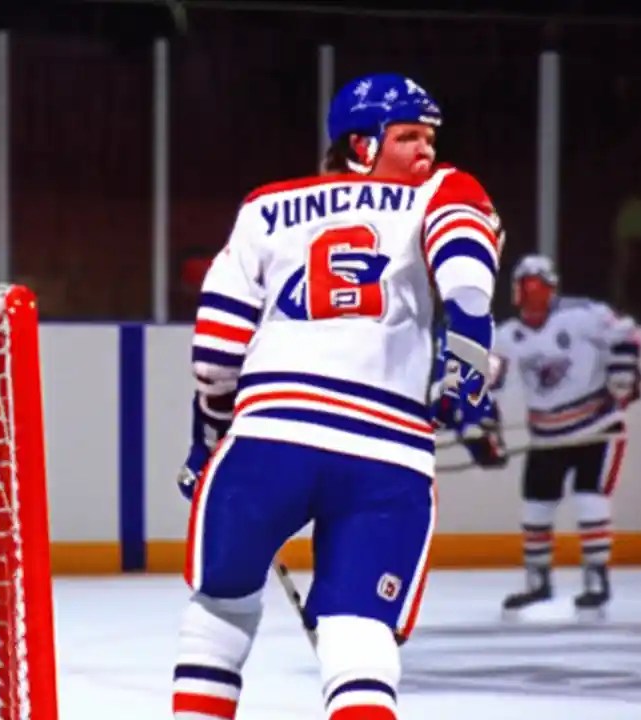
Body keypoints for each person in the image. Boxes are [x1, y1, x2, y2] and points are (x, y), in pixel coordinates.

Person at [170, 73, 505, 720]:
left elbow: (214, 355)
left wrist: (207, 441)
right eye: (408, 136)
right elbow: (466, 272)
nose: (426, 152)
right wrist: (466, 354)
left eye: (431, 138)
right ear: (359, 145)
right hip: (384, 457)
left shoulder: (265, 207)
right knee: (358, 630)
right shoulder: (441, 192)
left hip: (268, 444)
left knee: (220, 607)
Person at [488, 254, 641, 617]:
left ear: (551, 287)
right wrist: (482, 422)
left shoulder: (583, 315)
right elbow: (489, 382)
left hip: (597, 431)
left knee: (591, 502)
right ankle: (537, 581)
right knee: (534, 509)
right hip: (546, 437)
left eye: (537, 286)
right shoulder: (507, 336)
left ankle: (596, 578)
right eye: (524, 286)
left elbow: (626, 334)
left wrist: (623, 373)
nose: (530, 293)